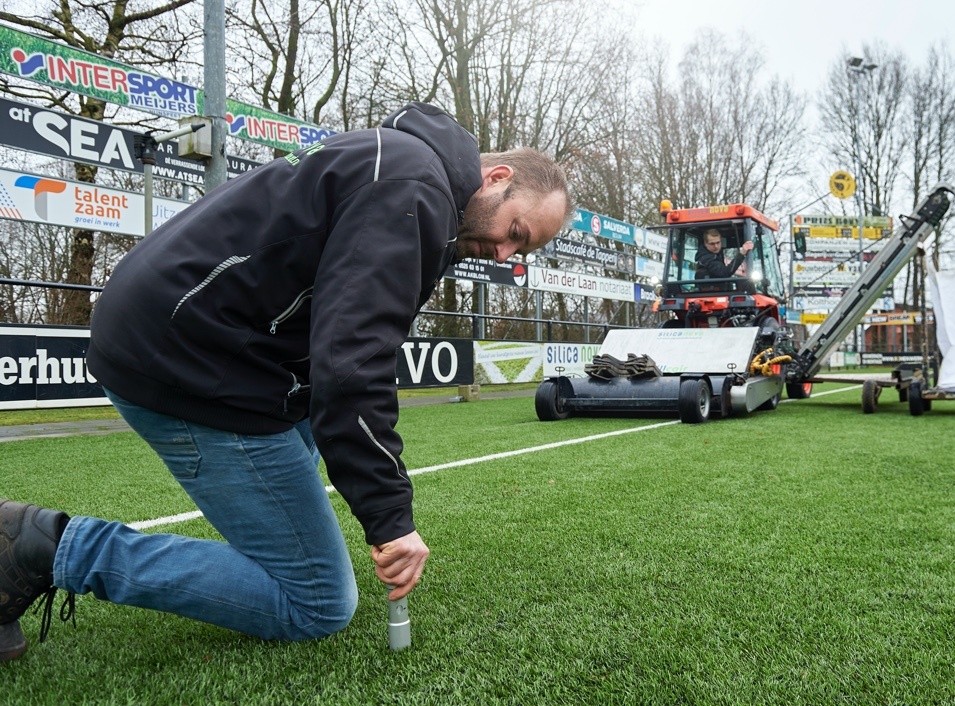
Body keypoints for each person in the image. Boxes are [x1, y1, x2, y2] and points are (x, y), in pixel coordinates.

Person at [0, 101, 571, 662]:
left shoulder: (401, 162)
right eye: (515, 230)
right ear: (497, 177)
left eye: (520, 249)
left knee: (313, 443)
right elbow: (352, 365)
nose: (503, 252)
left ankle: (262, 542)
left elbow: (335, 346)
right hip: (184, 358)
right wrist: (390, 519)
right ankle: (43, 549)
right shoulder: (415, 190)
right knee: (318, 602)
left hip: (198, 340)